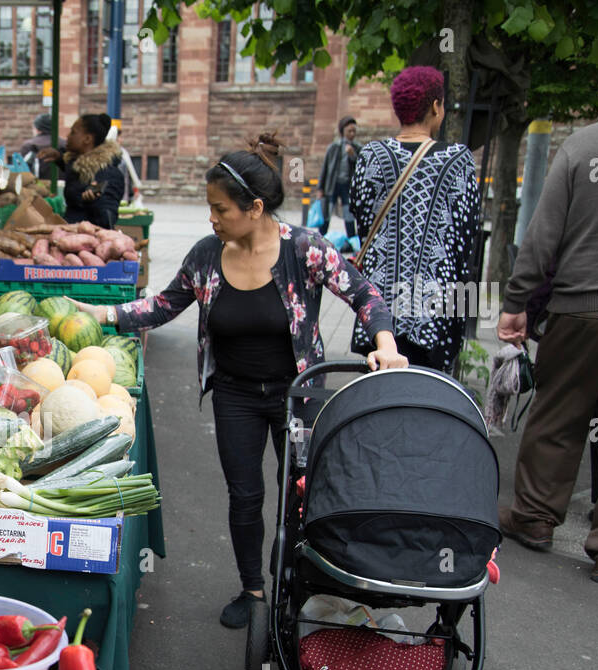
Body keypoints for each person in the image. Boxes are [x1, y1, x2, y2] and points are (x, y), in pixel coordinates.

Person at [71, 132, 407, 629]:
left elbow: (364, 294)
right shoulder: (208, 255)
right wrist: (102, 315)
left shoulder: (304, 249)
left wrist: (385, 342)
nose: (212, 218)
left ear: (254, 207)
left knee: (300, 493)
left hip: (299, 395)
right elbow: (163, 305)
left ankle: (296, 584)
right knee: (245, 495)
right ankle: (252, 589)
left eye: (220, 209)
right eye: (209, 208)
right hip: (235, 394)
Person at [495, 39, 598, 587]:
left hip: (583, 306)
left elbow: (540, 240)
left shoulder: (585, 146)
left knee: (559, 414)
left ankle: (535, 519)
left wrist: (517, 304)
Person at [351, 66, 480, 373]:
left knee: (380, 400)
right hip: (435, 311)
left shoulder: (370, 155)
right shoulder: (457, 159)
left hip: (379, 309)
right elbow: (466, 238)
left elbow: (361, 222)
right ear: (436, 106)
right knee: (426, 401)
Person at [38, 113, 125, 228]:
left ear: (87, 139)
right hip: (69, 233)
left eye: (73, 132)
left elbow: (107, 220)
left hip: (90, 241)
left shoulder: (109, 174)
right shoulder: (78, 165)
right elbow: (74, 171)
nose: (68, 136)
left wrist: (94, 202)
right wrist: (59, 157)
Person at [318, 116, 358, 237]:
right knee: (327, 213)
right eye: (349, 131)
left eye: (354, 131)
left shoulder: (357, 147)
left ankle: (352, 240)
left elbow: (360, 167)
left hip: (347, 185)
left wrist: (353, 155)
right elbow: (325, 168)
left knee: (348, 213)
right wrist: (320, 188)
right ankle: (320, 239)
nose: (352, 134)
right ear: (342, 131)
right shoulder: (333, 147)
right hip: (332, 185)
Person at [19, 113, 60, 180]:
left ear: (37, 129)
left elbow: (23, 170)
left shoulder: (29, 146)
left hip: (37, 188)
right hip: (63, 187)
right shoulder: (65, 144)